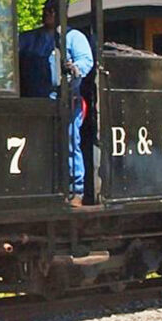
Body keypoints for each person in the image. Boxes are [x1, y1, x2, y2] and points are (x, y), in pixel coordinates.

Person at [64, 20, 95, 204]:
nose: (47, 13)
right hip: (40, 99)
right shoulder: (34, 38)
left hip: (67, 100)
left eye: (52, 9)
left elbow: (86, 61)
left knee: (70, 141)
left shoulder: (74, 37)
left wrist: (75, 68)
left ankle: (76, 189)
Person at [17, 0, 59, 98]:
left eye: (51, 11)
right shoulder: (26, 38)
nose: (46, 13)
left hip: (56, 98)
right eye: (44, 9)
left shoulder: (72, 37)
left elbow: (84, 62)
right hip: (29, 96)